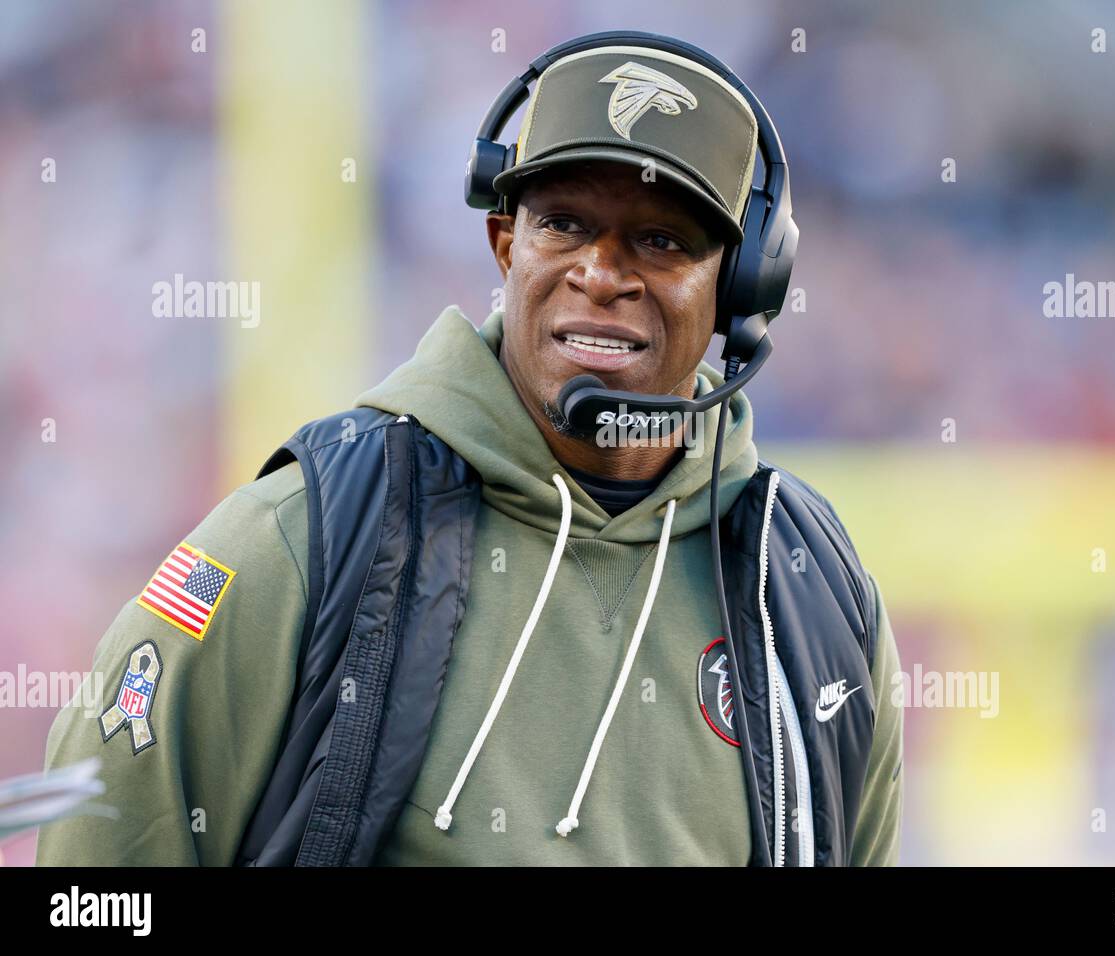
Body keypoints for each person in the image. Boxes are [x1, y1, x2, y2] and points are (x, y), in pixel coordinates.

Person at [37, 34, 902, 867]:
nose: (602, 274)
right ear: (505, 245)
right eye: (563, 224)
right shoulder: (312, 533)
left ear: (741, 288)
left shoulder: (811, 596)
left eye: (662, 239)